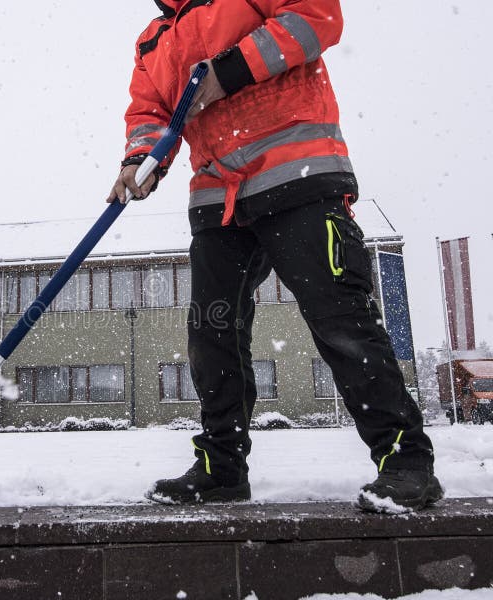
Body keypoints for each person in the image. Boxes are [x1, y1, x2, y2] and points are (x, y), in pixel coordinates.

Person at [107, 0, 442, 512]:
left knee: (341, 321)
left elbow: (316, 16)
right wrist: (142, 158)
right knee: (212, 334)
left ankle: (405, 461)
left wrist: (231, 70)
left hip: (299, 178)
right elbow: (151, 110)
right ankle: (222, 469)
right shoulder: (154, 39)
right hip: (218, 198)